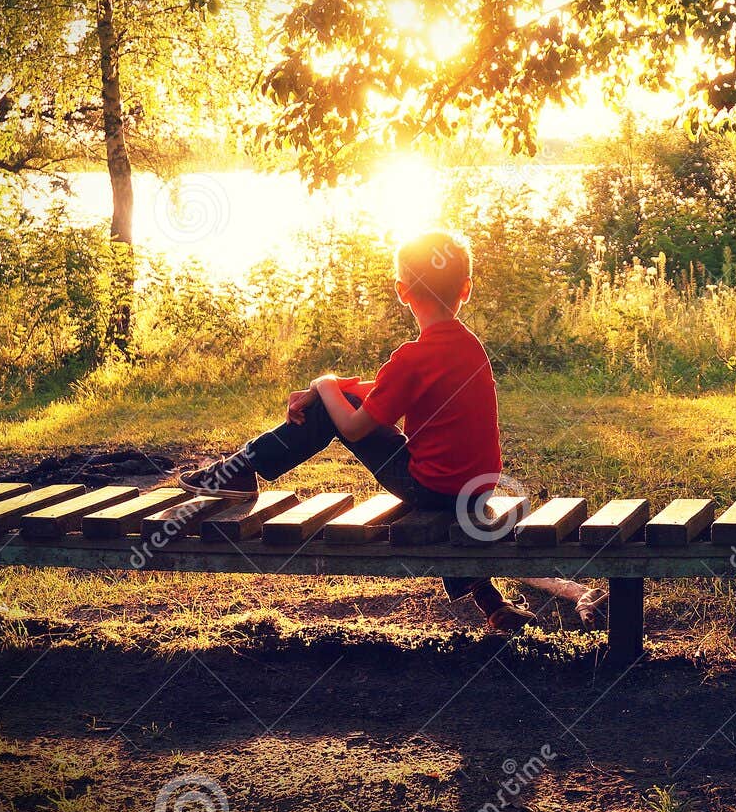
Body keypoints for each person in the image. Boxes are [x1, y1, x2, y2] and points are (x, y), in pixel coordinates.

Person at [177, 229, 538, 632]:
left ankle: (240, 468)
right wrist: (330, 389)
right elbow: (396, 389)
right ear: (466, 288)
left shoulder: (413, 357)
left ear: (402, 291)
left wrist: (326, 384)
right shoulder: (468, 347)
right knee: (337, 402)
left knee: (334, 412)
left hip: (432, 490)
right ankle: (492, 604)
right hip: (474, 490)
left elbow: (353, 423)